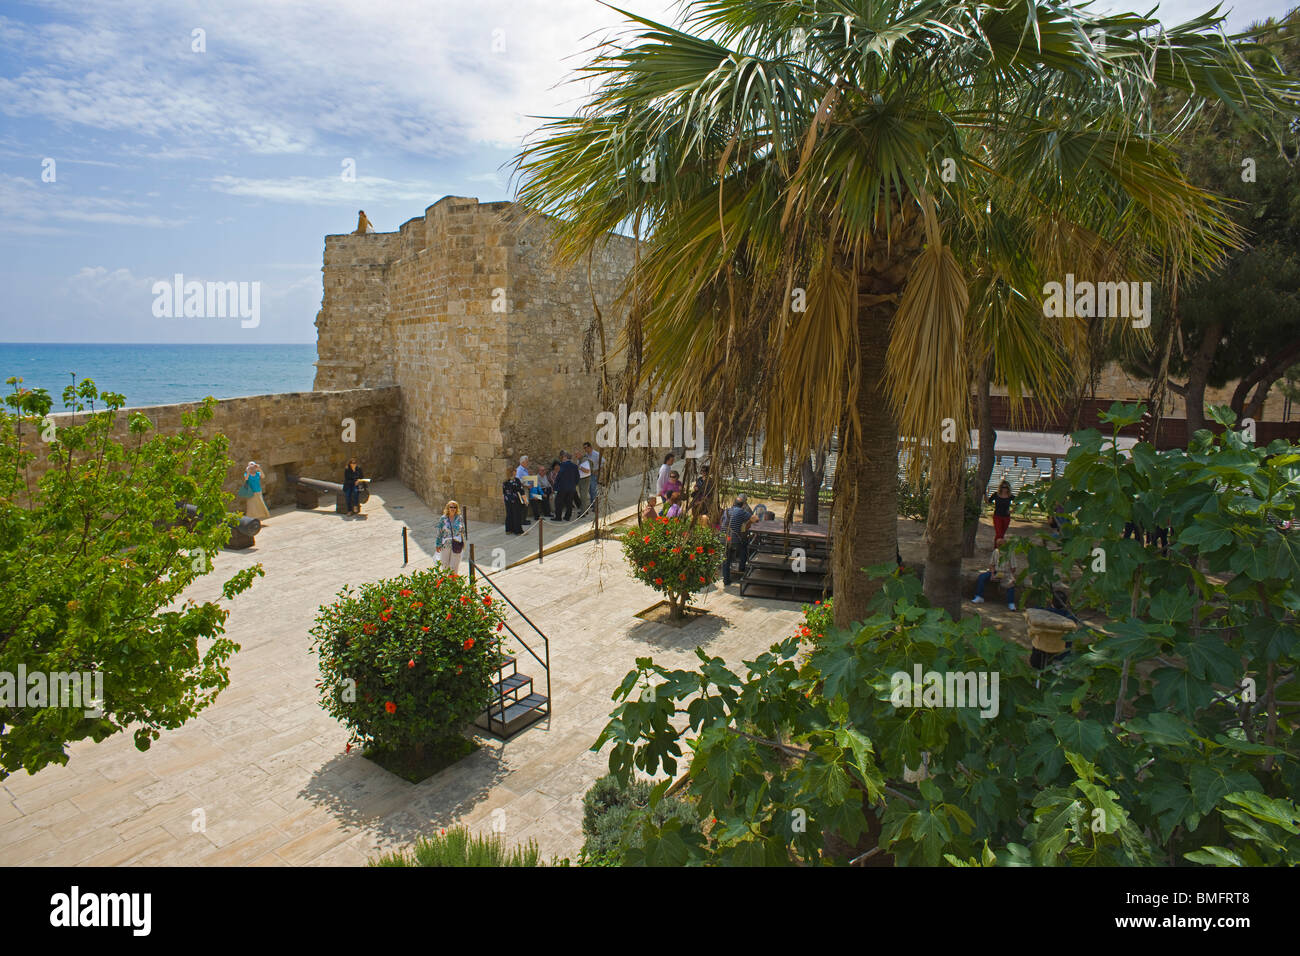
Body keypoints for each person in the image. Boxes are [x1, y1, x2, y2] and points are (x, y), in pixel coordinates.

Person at [971, 536, 1018, 610]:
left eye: (1000, 545)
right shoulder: (995, 551)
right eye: (998, 545)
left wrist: (1008, 575)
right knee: (982, 577)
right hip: (996, 571)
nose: (999, 546)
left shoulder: (1011, 553)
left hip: (1006, 573)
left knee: (1011, 584)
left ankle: (1011, 603)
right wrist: (992, 574)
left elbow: (1013, 568)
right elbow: (992, 565)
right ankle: (979, 596)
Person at [720, 495, 753, 586]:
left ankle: (726, 580)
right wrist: (747, 525)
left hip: (723, 538)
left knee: (726, 558)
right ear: (743, 504)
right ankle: (742, 568)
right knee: (744, 546)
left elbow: (721, 522)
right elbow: (755, 519)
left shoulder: (726, 511)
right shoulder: (743, 511)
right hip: (735, 539)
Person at [434, 500, 465, 571]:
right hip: (445, 544)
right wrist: (437, 544)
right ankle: (446, 581)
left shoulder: (459, 518)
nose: (453, 508)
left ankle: (453, 581)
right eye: (451, 507)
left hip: (456, 544)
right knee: (445, 565)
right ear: (448, 508)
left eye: (455, 507)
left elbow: (463, 530)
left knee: (454, 566)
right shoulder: (443, 518)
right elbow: (439, 532)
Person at [553, 451, 581, 521]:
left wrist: (555, 486)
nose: (562, 458)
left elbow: (559, 476)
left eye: (563, 457)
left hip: (562, 488)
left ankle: (558, 517)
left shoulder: (562, 465)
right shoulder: (574, 466)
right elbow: (577, 477)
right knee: (569, 503)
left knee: (558, 502)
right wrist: (574, 484)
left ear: (565, 457)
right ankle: (567, 517)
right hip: (572, 488)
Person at [503, 467, 526, 534]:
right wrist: (525, 500)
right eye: (515, 471)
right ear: (512, 472)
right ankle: (518, 531)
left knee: (509, 515)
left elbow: (504, 493)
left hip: (508, 501)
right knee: (517, 515)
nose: (516, 472)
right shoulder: (516, 480)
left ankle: (509, 530)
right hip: (515, 500)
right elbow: (521, 491)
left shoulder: (505, 482)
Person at [583, 441, 601, 506]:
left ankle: (595, 505)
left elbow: (603, 462)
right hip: (588, 474)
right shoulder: (586, 455)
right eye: (584, 448)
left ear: (590, 447)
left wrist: (598, 470)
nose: (585, 449)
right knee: (590, 490)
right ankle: (592, 504)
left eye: (586, 447)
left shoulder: (596, 454)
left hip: (594, 474)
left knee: (593, 489)